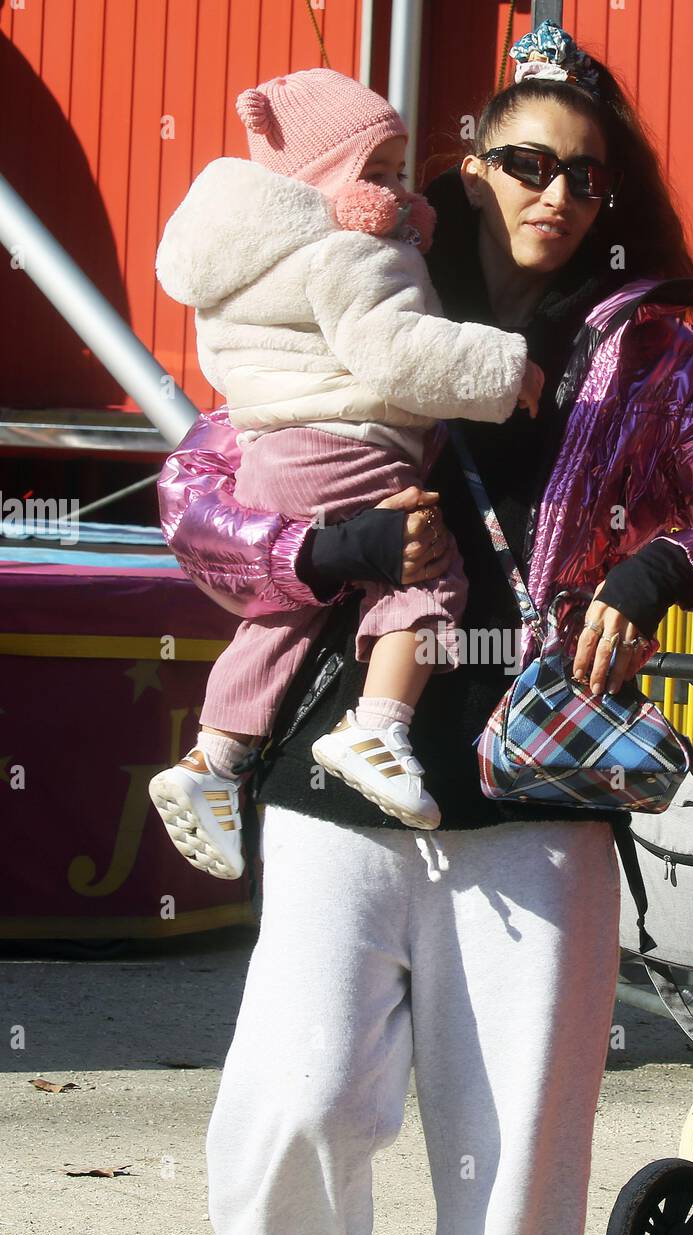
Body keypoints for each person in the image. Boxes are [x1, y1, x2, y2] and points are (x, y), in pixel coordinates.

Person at [158, 20, 693, 1235]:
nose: (557, 196)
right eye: (526, 164)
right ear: (468, 167)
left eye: (586, 177)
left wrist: (673, 568)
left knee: (518, 1183)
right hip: (339, 768)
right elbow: (195, 498)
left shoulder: (653, 360)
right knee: (278, 1130)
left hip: (539, 796)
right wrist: (315, 546)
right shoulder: (344, 275)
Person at [148, 68, 546, 870]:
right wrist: (507, 370)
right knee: (426, 573)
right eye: (379, 171)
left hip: (269, 455)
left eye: (400, 171)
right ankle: (377, 727)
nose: (397, 191)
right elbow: (397, 353)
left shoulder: (249, 257)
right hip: (347, 443)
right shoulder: (354, 250)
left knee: (283, 617)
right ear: (327, 179)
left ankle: (213, 759)